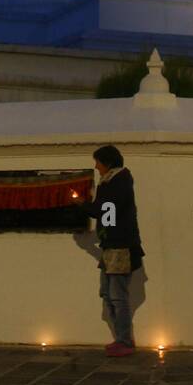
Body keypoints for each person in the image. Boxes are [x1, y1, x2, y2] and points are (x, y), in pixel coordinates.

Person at [74, 144, 144, 356]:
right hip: (111, 245)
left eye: (98, 162)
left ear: (108, 162)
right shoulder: (111, 183)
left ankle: (125, 341)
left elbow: (107, 212)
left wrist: (83, 205)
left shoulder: (118, 183)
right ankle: (120, 339)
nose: (96, 167)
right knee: (107, 293)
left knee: (117, 296)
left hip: (120, 247)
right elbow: (108, 217)